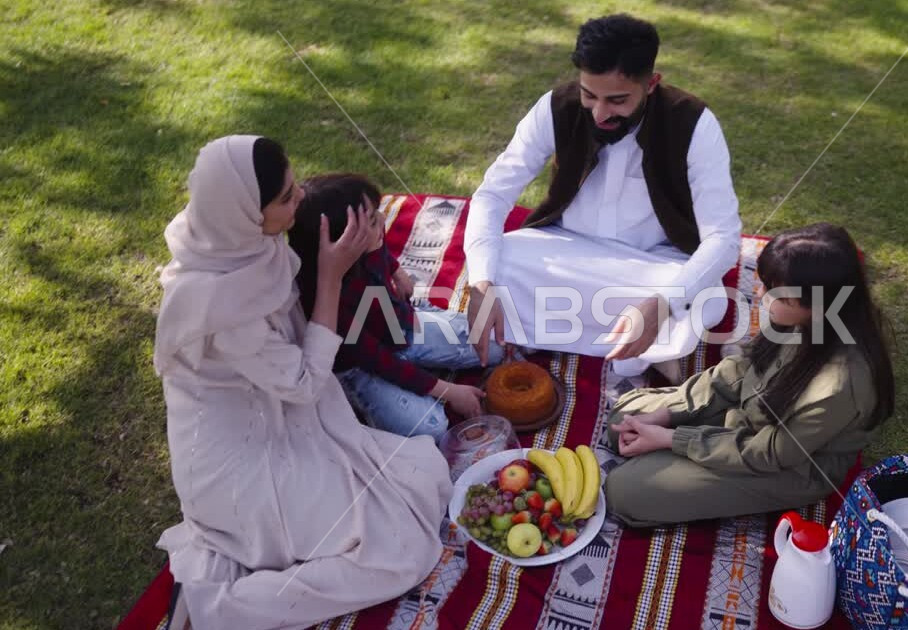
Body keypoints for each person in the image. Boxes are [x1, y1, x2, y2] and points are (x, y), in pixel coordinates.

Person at [153, 136, 451, 630]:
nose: (300, 199)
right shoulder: (220, 307)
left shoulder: (236, 236)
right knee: (404, 551)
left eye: (295, 187)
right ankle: (220, 605)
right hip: (240, 465)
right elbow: (306, 382)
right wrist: (330, 277)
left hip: (286, 422)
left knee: (426, 473)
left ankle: (242, 558)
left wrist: (375, 264)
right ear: (247, 213)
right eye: (287, 197)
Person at [464, 14, 742, 381]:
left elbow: (723, 238)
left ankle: (551, 333)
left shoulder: (694, 124)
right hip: (565, 249)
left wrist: (661, 304)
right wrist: (483, 283)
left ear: (651, 84)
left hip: (652, 262)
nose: (599, 114)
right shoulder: (556, 107)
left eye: (617, 100)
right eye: (589, 95)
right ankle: (644, 351)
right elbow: (492, 195)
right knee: (493, 264)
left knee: (707, 299)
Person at [602, 223, 895, 527]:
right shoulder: (802, 317)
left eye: (777, 295)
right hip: (749, 414)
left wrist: (671, 439)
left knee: (625, 490)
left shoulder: (838, 385)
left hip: (785, 465)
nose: (761, 295)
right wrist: (668, 413)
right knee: (624, 419)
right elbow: (743, 368)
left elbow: (769, 453)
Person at [287, 173, 503, 439]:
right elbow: (377, 359)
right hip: (361, 367)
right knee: (430, 427)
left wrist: (396, 270)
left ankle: (422, 339)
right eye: (372, 220)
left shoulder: (369, 243)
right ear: (342, 241)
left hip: (396, 324)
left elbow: (380, 253)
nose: (382, 221)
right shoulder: (326, 299)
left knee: (492, 345)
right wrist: (449, 391)